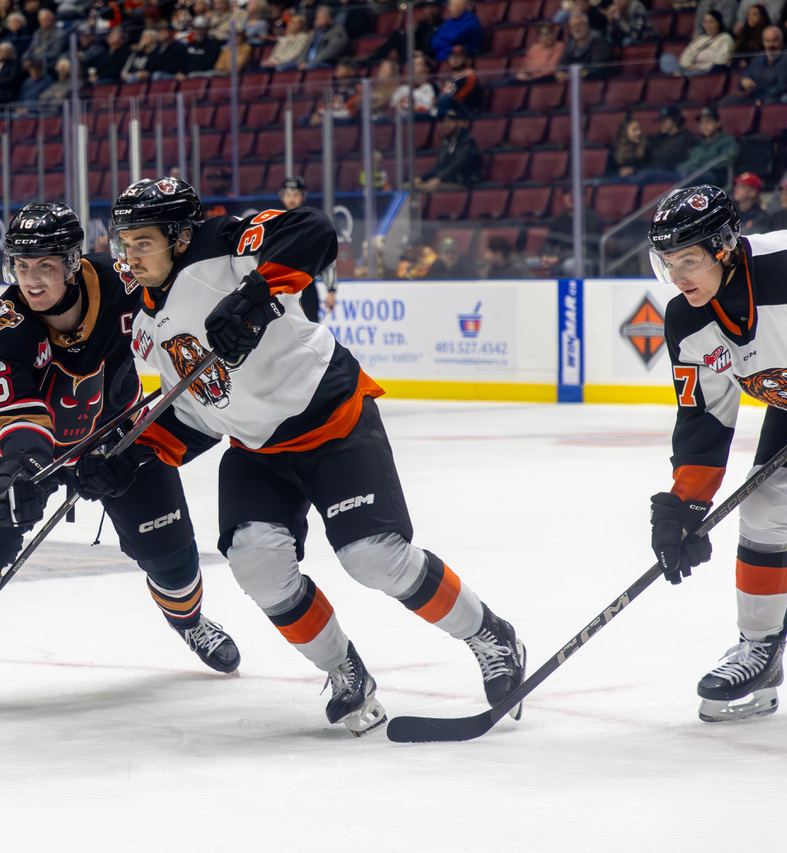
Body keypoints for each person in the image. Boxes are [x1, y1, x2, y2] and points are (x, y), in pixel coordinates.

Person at [107, 177, 526, 734]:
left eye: (143, 242)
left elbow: (313, 228)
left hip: (331, 422)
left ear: (181, 236)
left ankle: (491, 636)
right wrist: (130, 457)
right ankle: (344, 671)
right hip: (256, 448)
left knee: (374, 557)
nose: (130, 257)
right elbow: (200, 409)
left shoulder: (224, 243)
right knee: (256, 565)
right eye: (125, 243)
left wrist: (254, 296)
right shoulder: (136, 310)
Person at [0, 202, 242, 709]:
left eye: (45, 266)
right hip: (30, 453)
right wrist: (20, 469)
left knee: (172, 557)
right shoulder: (5, 323)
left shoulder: (121, 284)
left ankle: (191, 622)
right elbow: (11, 410)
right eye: (21, 267)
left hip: (120, 441)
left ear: (71, 263)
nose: (32, 281)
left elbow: (180, 303)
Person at [645, 184, 787, 723]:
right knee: (766, 507)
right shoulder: (688, 319)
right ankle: (761, 650)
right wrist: (685, 504)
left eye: (689, 259)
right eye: (668, 262)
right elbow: (704, 418)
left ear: (725, 247)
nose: (679, 275)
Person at [278, 176, 337, 320]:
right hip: (280, 288)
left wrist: (331, 291)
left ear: (303, 196)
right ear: (282, 196)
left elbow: (327, 258)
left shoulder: (313, 223)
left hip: (306, 286)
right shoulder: (276, 222)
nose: (291, 199)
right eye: (288, 194)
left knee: (310, 328)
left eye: (296, 194)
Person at [414, 102, 481, 191]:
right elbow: (439, 166)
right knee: (409, 186)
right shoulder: (446, 141)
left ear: (461, 123)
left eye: (451, 121)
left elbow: (456, 166)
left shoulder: (467, 143)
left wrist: (439, 178)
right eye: (444, 121)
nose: (446, 124)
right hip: (447, 180)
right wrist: (422, 178)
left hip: (462, 182)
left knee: (425, 188)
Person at [678, 104, 740, 186]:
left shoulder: (727, 141)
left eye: (708, 122)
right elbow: (689, 162)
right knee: (658, 176)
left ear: (718, 123)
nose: (704, 126)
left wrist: (700, 166)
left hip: (714, 177)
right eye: (701, 123)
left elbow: (726, 161)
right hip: (692, 174)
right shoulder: (698, 144)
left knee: (685, 177)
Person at [659, 10, 733, 76]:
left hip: (704, 72)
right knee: (666, 57)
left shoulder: (725, 38)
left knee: (691, 74)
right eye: (705, 22)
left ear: (718, 23)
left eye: (711, 22)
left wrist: (699, 67)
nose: (707, 25)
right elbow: (688, 53)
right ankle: (678, 75)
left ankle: (678, 77)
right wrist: (688, 66)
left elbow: (721, 62)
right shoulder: (702, 38)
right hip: (688, 68)